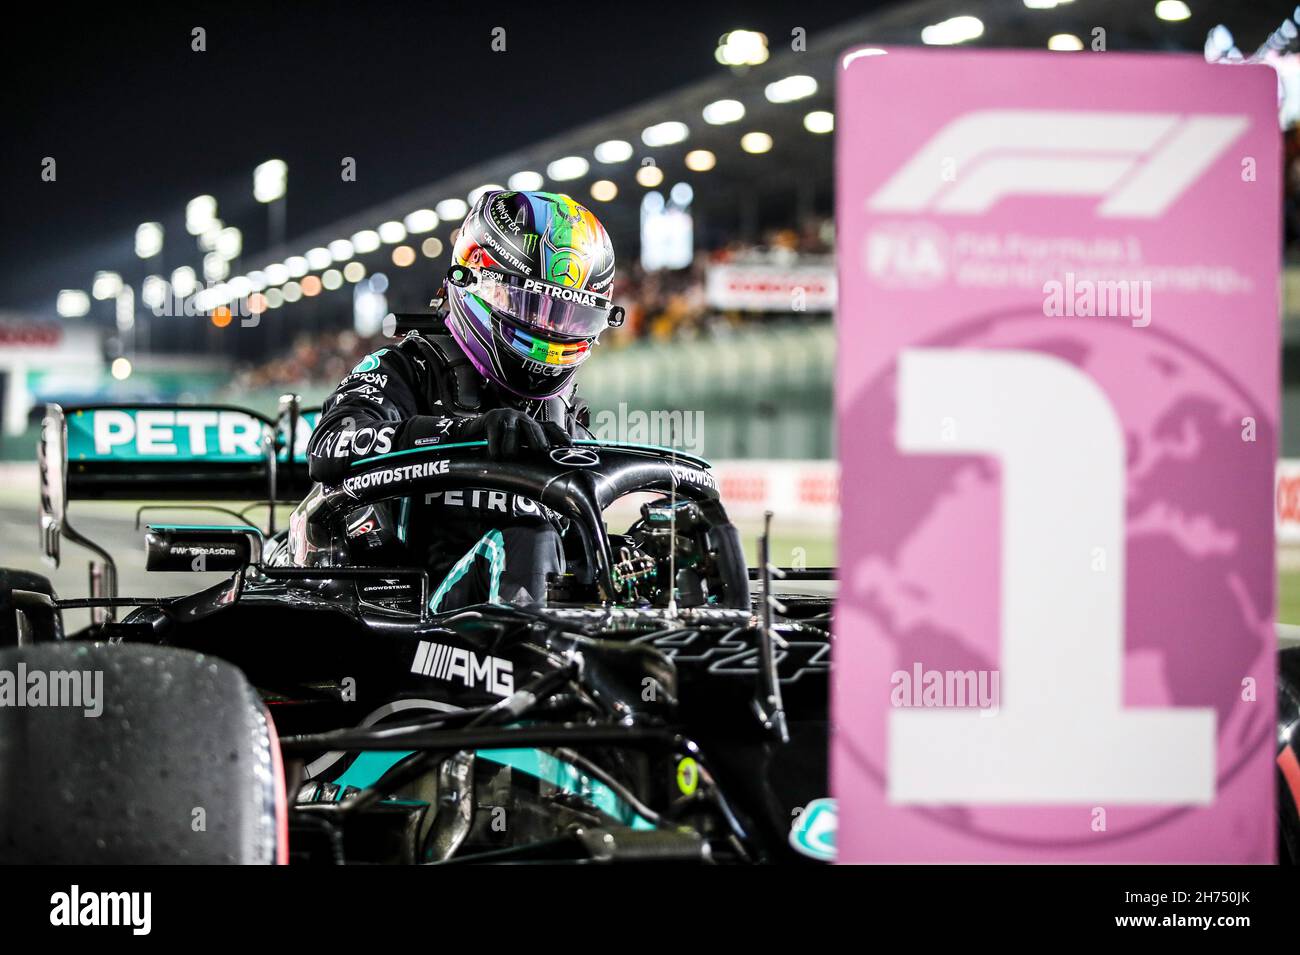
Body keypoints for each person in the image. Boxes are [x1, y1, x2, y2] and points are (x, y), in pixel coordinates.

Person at [305, 190, 621, 610]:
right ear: (478, 282)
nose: (550, 329)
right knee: (529, 541)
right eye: (534, 305)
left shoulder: (563, 414)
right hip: (401, 615)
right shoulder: (407, 367)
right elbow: (330, 445)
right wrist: (468, 434)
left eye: (569, 316)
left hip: (513, 623)